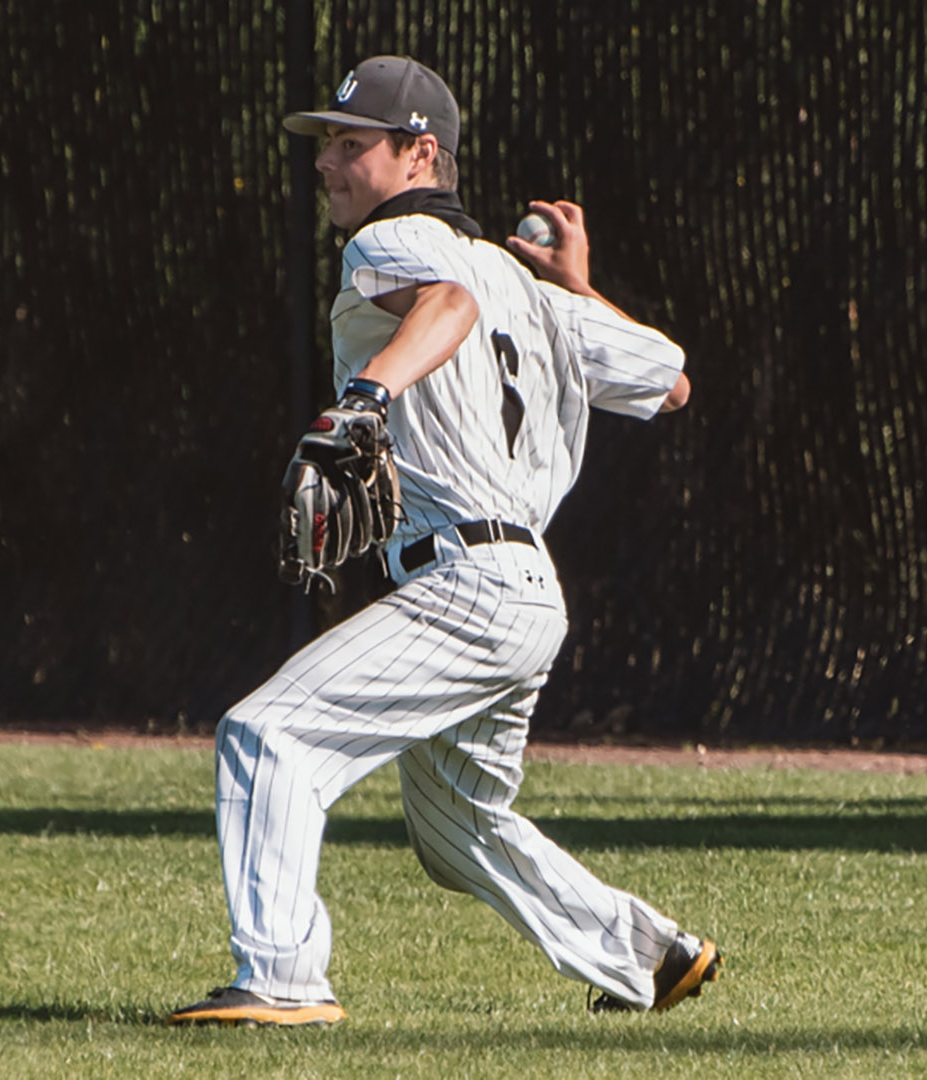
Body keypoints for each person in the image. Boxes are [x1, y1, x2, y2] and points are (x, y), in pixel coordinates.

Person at [165, 55, 714, 1028]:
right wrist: (579, 289)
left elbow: (446, 307)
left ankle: (283, 978)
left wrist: (367, 398)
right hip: (523, 589)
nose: (329, 163)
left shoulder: (392, 241)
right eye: (326, 142)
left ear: (423, 152)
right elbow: (667, 379)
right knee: (454, 827)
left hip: (465, 579)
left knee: (269, 737)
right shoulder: (530, 288)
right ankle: (649, 955)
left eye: (352, 143)